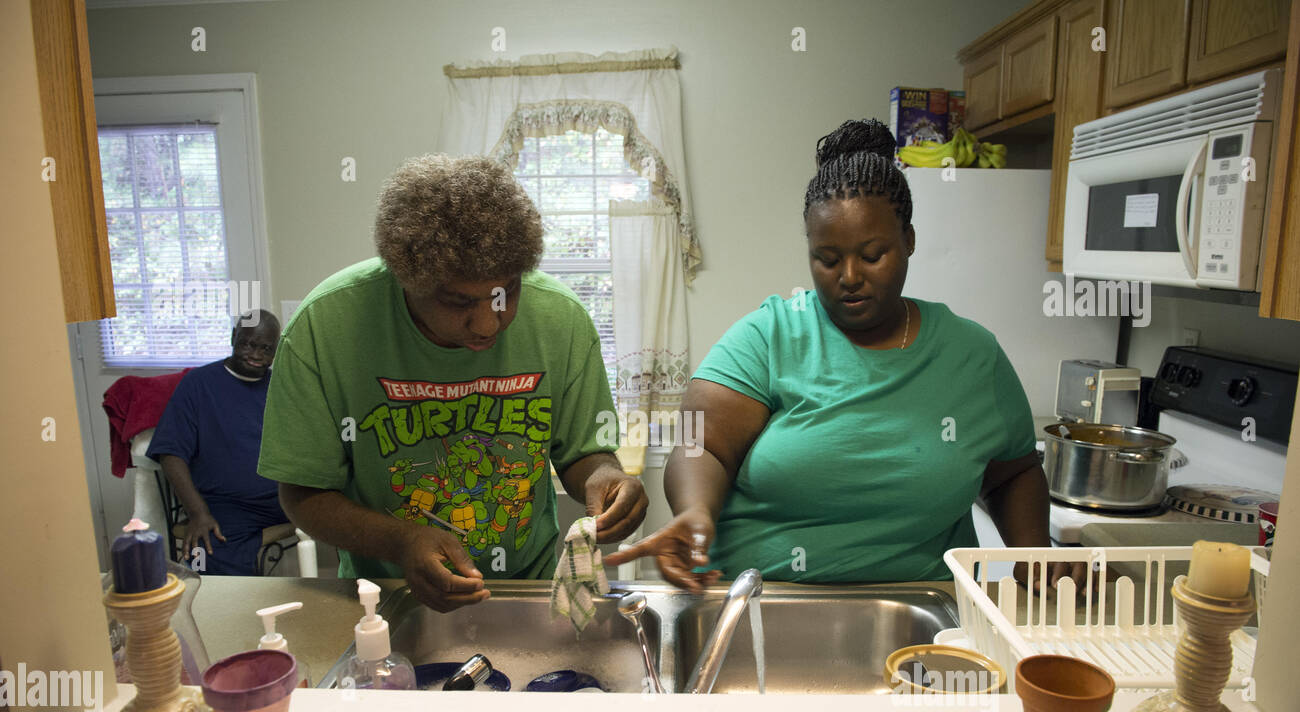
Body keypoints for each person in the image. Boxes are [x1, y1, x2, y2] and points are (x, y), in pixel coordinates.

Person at [608, 118, 1085, 591]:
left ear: (909, 242)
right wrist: (695, 511)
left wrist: (1033, 555)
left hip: (920, 609)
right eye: (828, 259)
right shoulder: (769, 336)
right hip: (762, 602)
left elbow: (1013, 472)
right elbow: (699, 444)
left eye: (873, 255)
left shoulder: (972, 355)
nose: (850, 276)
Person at [257, 155, 647, 612]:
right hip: (386, 594)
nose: (488, 323)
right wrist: (403, 541)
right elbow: (303, 494)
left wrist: (607, 478)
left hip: (528, 590)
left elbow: (583, 453)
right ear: (405, 279)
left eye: (507, 293)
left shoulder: (562, 321)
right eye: (456, 300)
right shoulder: (324, 327)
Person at [147, 310, 288, 575]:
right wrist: (198, 512)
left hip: (284, 499)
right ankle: (239, 614)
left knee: (345, 518)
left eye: (266, 349)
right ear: (234, 337)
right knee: (210, 549)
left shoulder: (281, 385)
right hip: (228, 505)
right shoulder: (199, 384)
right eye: (248, 344)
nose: (257, 355)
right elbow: (170, 452)